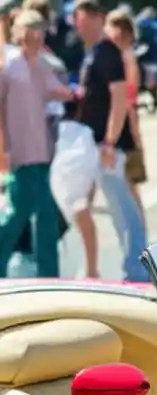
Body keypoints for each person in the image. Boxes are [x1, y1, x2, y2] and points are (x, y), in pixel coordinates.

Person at [72, 0, 149, 282]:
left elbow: (119, 98)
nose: (78, 25)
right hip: (98, 142)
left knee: (123, 209)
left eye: (82, 19)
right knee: (119, 207)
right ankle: (134, 266)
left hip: (107, 144)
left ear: (96, 18)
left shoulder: (107, 53)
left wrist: (110, 140)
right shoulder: (96, 52)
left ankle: (138, 268)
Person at [0, 10, 73, 278]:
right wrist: (3, 149)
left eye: (39, 29)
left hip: (42, 150)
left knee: (46, 217)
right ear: (20, 33)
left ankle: (49, 274)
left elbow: (56, 90)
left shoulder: (42, 65)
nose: (37, 35)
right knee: (18, 214)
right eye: (31, 29)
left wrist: (77, 92)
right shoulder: (9, 66)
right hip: (19, 152)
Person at [106, 9, 148, 237]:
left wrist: (135, 132)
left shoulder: (125, 57)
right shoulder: (124, 56)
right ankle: (137, 231)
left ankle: (138, 232)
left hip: (125, 124)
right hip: (126, 122)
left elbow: (129, 98)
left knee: (128, 185)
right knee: (127, 186)